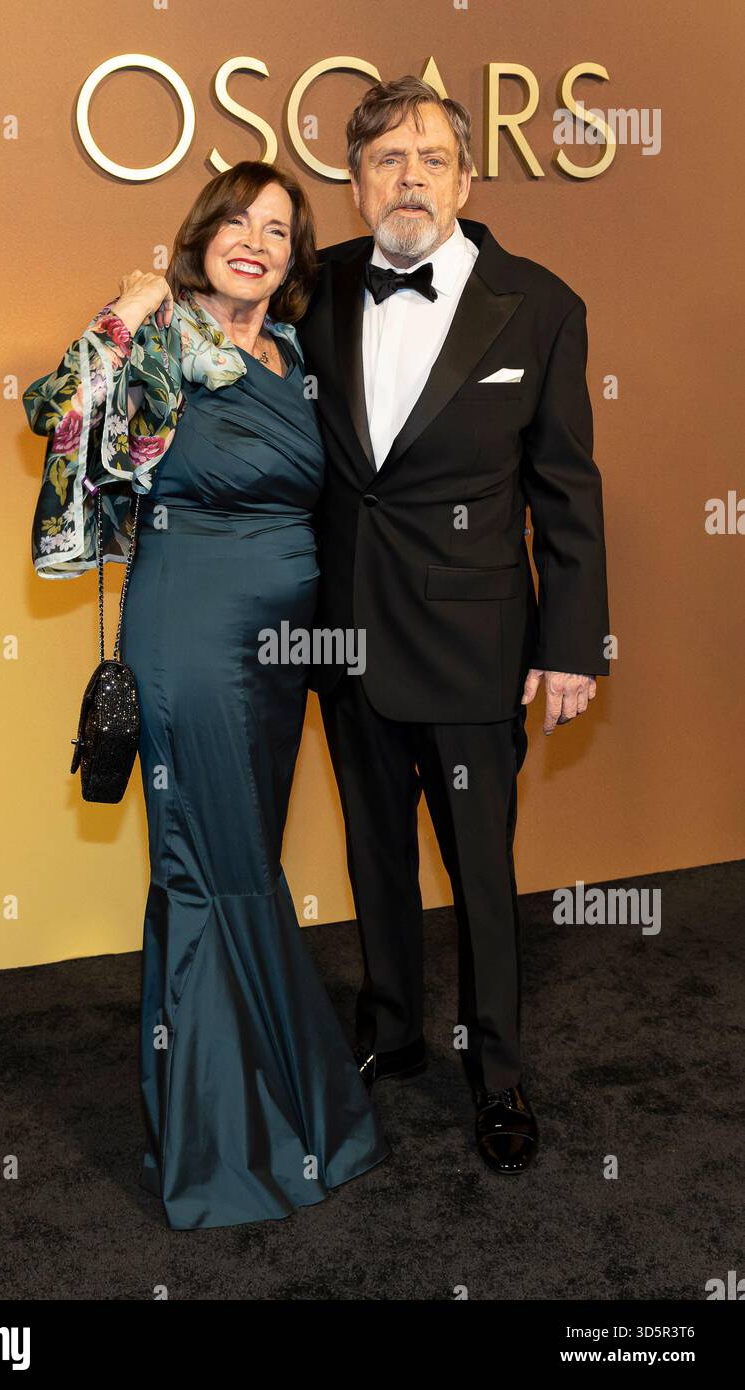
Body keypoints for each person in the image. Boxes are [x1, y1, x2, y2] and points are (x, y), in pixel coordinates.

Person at [22, 161, 389, 1229]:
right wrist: (123, 310)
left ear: (292, 258)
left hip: (281, 646)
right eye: (235, 220)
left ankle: (277, 1095)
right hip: (186, 623)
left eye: (277, 228)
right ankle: (223, 1137)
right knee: (205, 862)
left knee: (245, 856)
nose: (254, 238)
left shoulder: (293, 355)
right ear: (199, 235)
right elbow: (59, 411)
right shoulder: (163, 333)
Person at [296, 77, 611, 1174]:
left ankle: (500, 1072)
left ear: (466, 177)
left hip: (475, 642)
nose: (409, 177)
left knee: (479, 869)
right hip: (342, 636)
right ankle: (390, 1031)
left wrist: (571, 641)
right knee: (372, 850)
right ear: (352, 183)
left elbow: (565, 489)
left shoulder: (537, 303)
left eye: (430, 157)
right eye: (386, 159)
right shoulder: (315, 286)